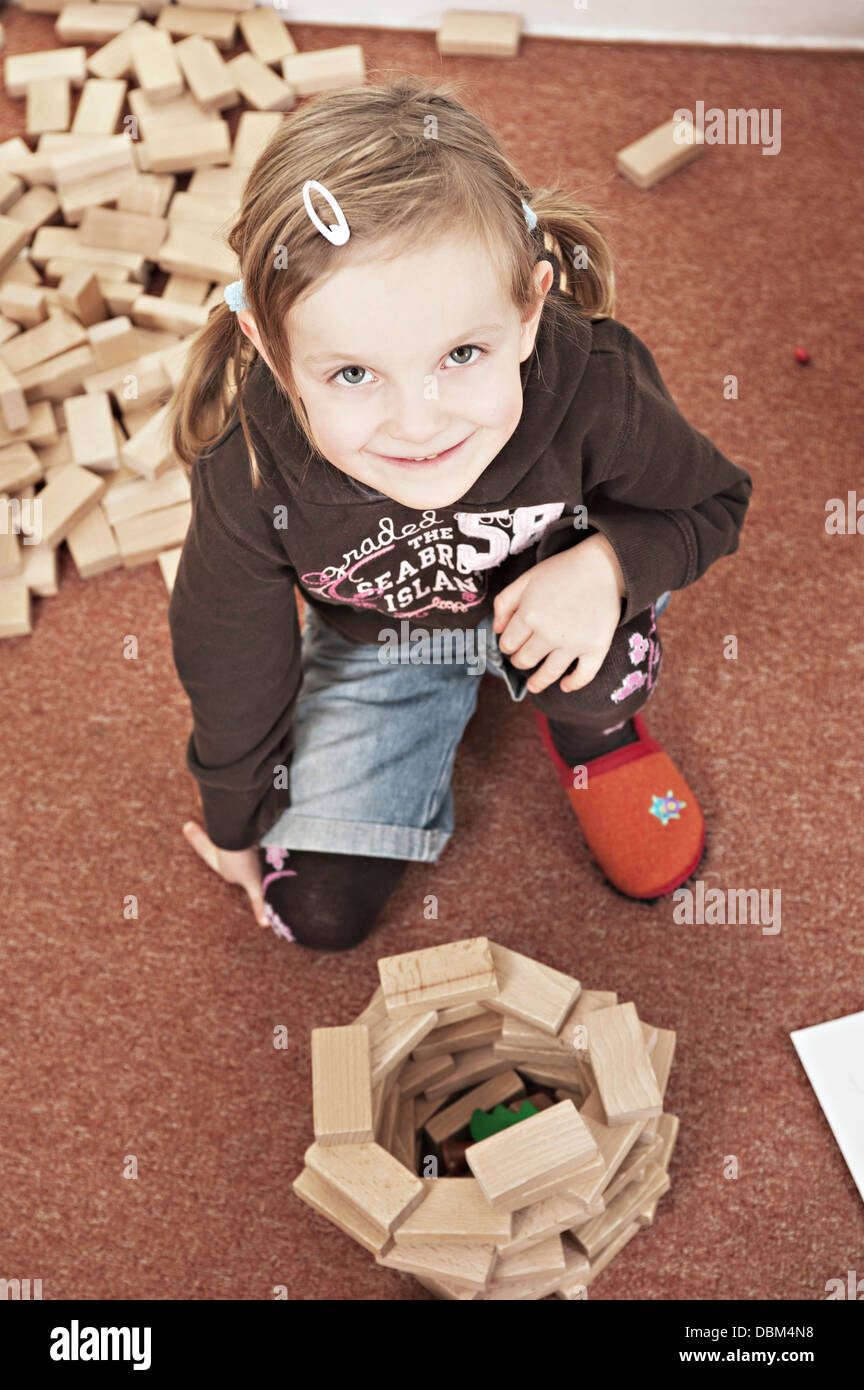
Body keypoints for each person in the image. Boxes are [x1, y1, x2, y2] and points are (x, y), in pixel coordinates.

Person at [166, 76, 752, 951]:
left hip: (558, 603)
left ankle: (597, 728)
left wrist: (609, 566)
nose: (419, 422)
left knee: (596, 666)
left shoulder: (596, 386)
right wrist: (236, 814)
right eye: (354, 374)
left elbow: (715, 500)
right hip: (385, 643)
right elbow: (230, 650)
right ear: (270, 350)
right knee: (311, 914)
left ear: (527, 312)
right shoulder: (249, 459)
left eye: (463, 353)